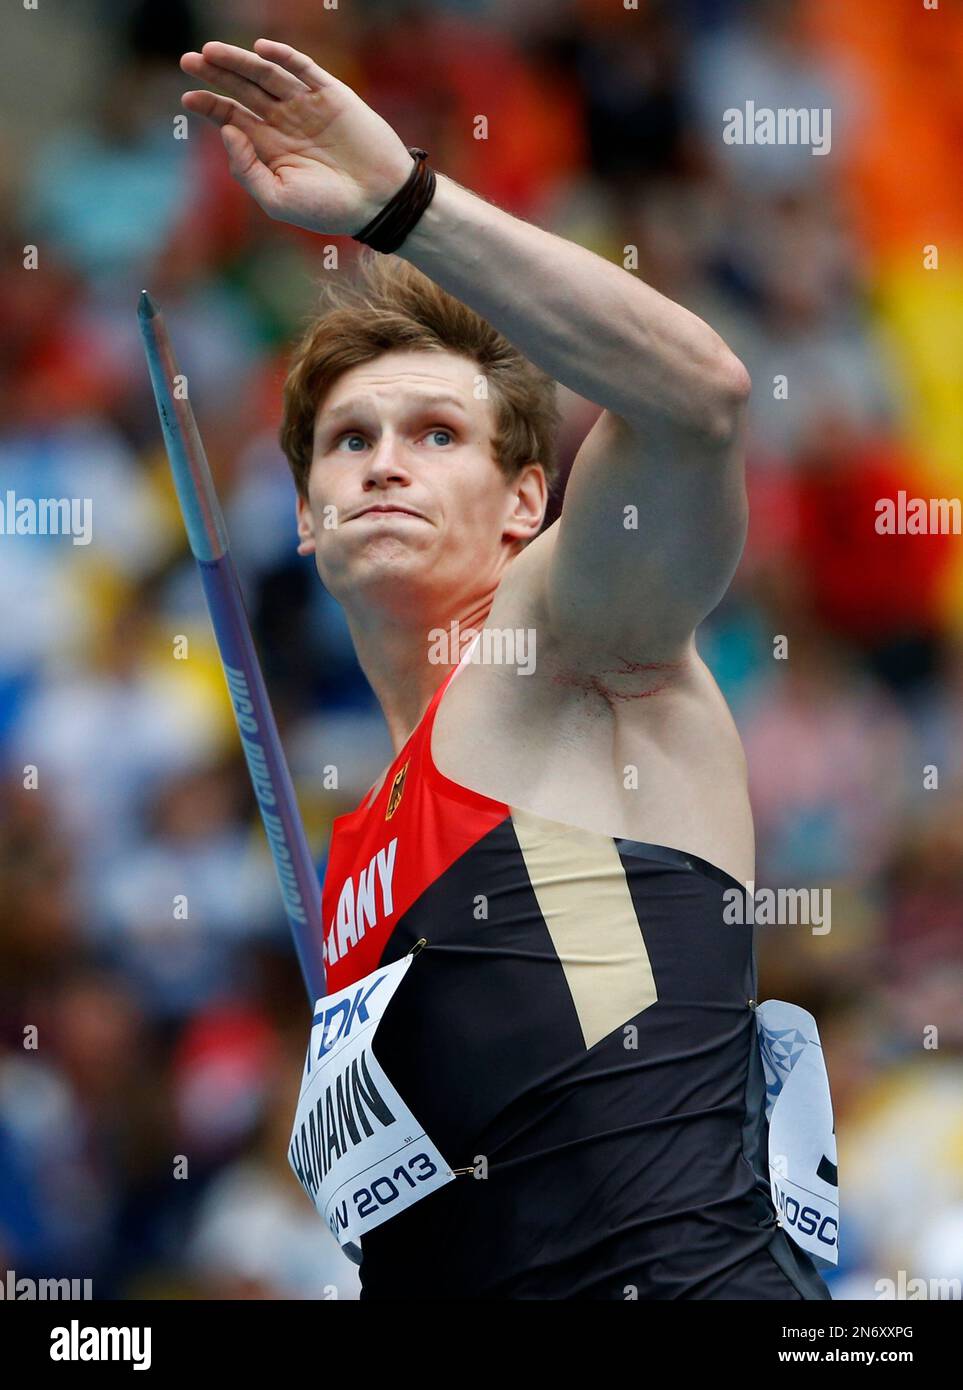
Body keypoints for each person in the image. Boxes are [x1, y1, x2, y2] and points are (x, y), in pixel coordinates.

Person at [179, 38, 831, 1300]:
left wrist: (398, 203)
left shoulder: (569, 645)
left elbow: (700, 399)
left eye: (435, 433)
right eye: (348, 440)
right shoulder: (361, 845)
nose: (382, 462)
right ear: (305, 517)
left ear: (529, 499)